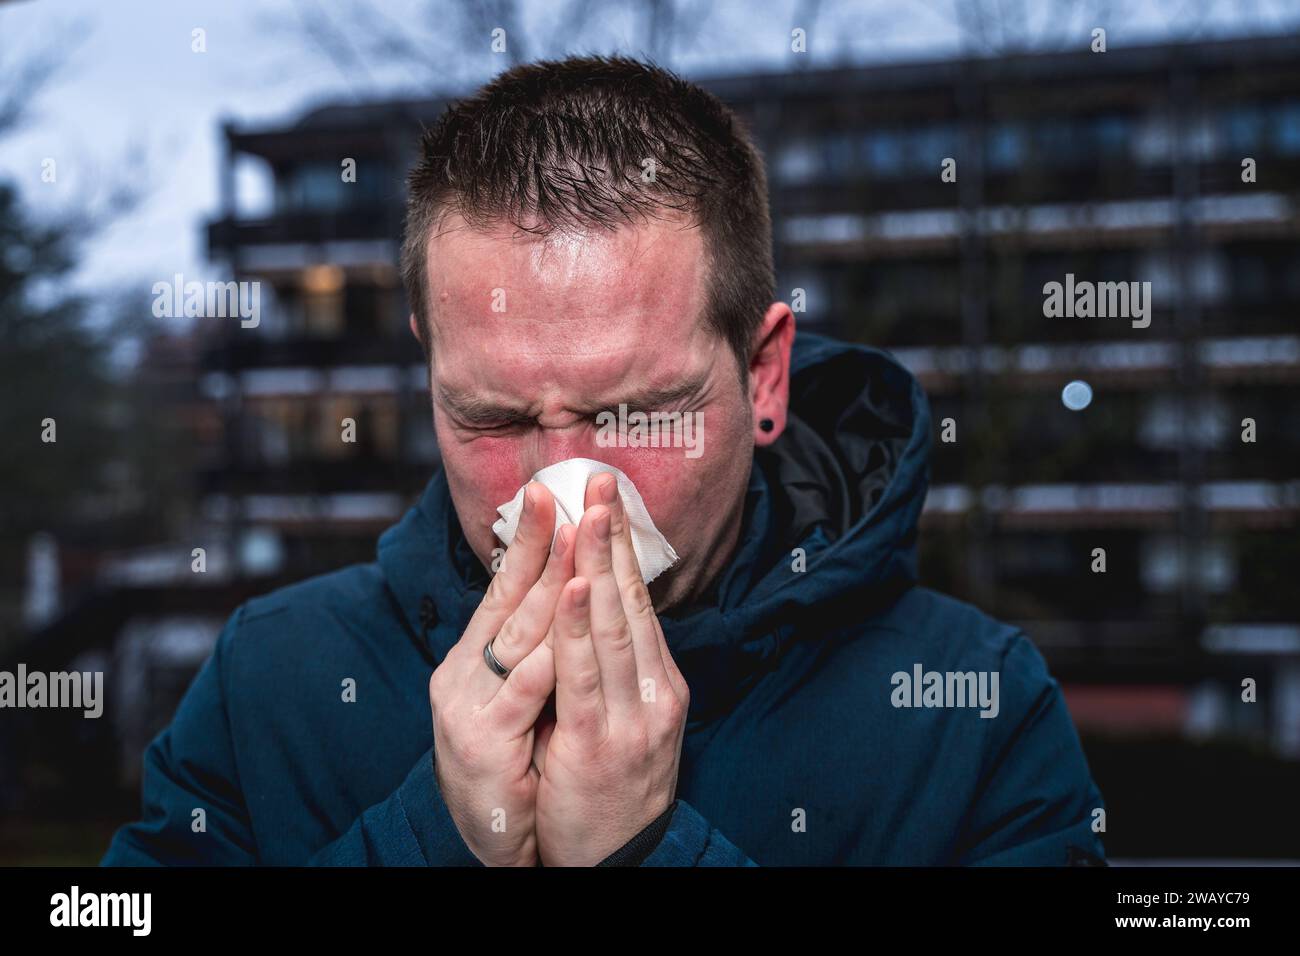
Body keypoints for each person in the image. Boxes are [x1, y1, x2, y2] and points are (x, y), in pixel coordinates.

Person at [103, 55, 1107, 867]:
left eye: (636, 411)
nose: (566, 489)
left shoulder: (976, 708)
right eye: (493, 417)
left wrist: (649, 851)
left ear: (761, 377)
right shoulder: (270, 681)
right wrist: (428, 840)